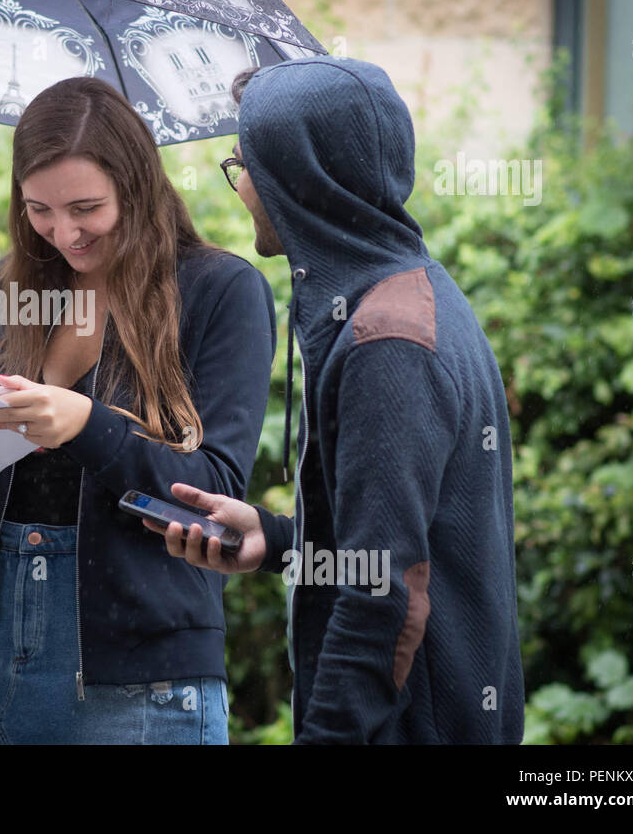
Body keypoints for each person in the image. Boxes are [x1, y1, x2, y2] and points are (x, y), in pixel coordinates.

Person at [147, 57, 524, 744]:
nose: (242, 188)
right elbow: (400, 547)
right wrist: (281, 541)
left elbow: (380, 596)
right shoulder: (413, 289)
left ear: (300, 177)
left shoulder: (388, 342)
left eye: (244, 164)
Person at [0, 76, 278, 744]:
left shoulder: (218, 291)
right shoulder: (5, 291)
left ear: (137, 185)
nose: (63, 232)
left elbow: (216, 492)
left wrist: (88, 428)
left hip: (140, 670)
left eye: (86, 207)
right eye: (38, 209)